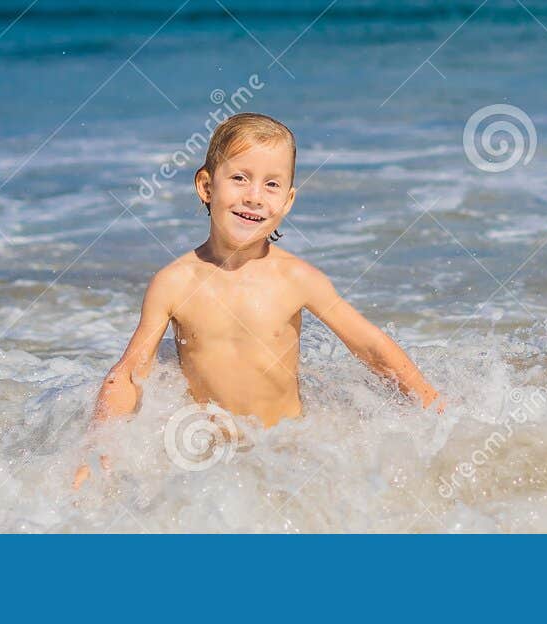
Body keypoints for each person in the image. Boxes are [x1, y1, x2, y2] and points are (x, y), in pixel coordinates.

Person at [73, 113, 440, 488]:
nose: (254, 196)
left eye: (272, 184)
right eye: (239, 178)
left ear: (288, 200)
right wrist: (99, 448)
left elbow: (370, 346)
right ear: (206, 186)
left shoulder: (297, 278)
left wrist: (432, 405)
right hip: (209, 461)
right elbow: (129, 374)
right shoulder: (174, 283)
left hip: (288, 450)